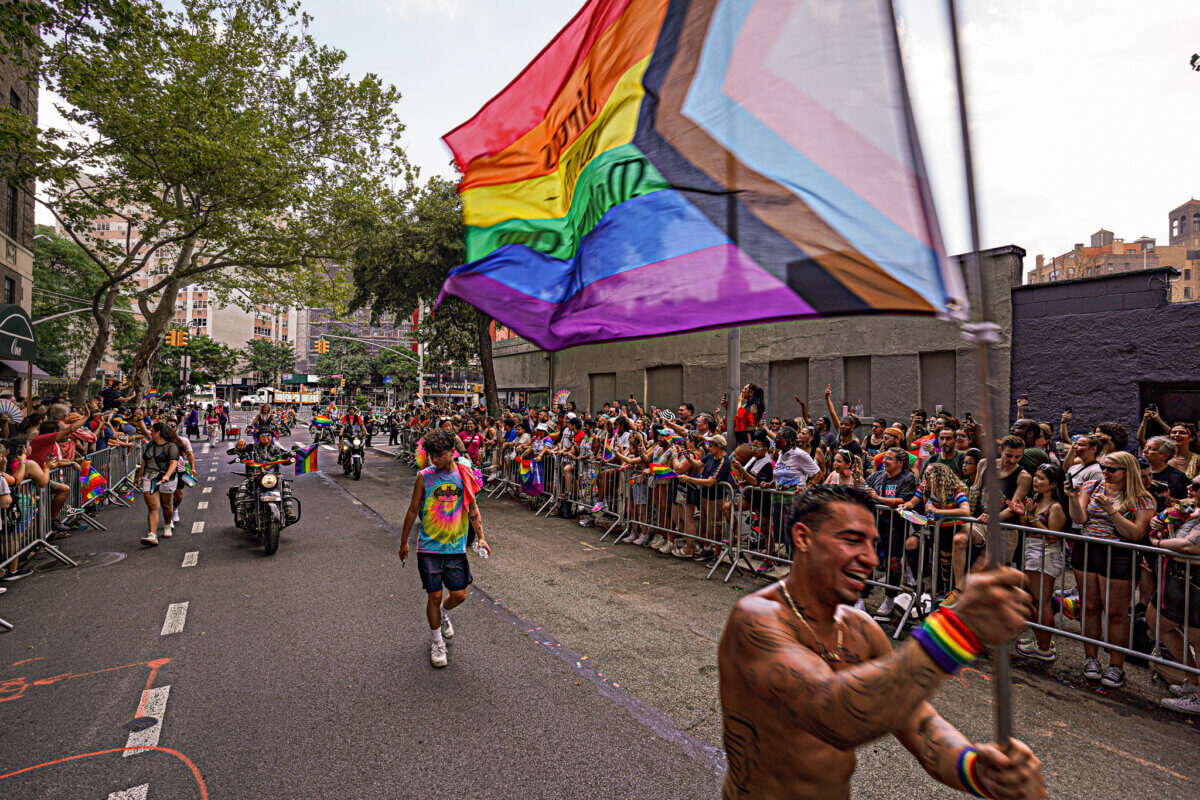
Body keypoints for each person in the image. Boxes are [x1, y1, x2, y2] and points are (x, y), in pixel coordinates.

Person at [717, 484, 1045, 800]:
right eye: (853, 540)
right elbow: (832, 716)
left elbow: (919, 724)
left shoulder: (861, 628)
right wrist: (957, 630)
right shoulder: (755, 618)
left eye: (873, 544)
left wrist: (975, 770)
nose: (871, 559)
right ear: (803, 537)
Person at [398, 429, 487, 669]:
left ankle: (444, 613)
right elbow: (412, 510)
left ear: (451, 452)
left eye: (439, 455)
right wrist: (404, 541)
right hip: (429, 547)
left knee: (459, 595)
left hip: (456, 547)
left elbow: (472, 508)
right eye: (431, 455)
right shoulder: (424, 476)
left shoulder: (464, 474)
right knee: (434, 595)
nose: (434, 460)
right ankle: (437, 642)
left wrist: (481, 537)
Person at [1067, 450, 1154, 688]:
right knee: (1090, 607)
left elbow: (1136, 533)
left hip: (1119, 555)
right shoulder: (1093, 485)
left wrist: (1111, 511)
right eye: (1104, 467)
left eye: (1111, 469)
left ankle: (1116, 666)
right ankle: (1091, 659)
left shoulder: (1142, 498)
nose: (1105, 472)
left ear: (1127, 472)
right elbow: (1081, 519)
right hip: (1088, 549)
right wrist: (1074, 500)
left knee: (1116, 613)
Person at [1007, 464, 1071, 662]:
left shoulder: (1057, 506)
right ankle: (1041, 641)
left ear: (1053, 484)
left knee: (1042, 601)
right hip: (1032, 551)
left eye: (1041, 478)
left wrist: (1032, 516)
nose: (1035, 480)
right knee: (1034, 600)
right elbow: (1029, 527)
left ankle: (1044, 647)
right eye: (1035, 476)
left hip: (1046, 555)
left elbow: (1052, 537)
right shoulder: (1036, 500)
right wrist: (1023, 513)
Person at [864, 447, 919, 619]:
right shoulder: (878, 475)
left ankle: (889, 598)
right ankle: (860, 597)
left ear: (900, 463)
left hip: (895, 526)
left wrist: (879, 499)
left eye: (889, 459)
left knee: (893, 562)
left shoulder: (908, 478)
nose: (884, 461)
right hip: (875, 524)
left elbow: (904, 500)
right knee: (864, 558)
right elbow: (865, 485)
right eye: (885, 458)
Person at [137, 421, 181, 546]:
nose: (151, 432)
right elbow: (145, 461)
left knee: (166, 505)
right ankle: (152, 535)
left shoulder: (172, 446)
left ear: (158, 433)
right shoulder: (151, 444)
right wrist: (139, 476)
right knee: (153, 507)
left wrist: (167, 475)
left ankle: (167, 524)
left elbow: (174, 463)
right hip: (149, 478)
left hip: (166, 479)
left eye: (152, 430)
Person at [1143, 436, 1189, 501]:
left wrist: (1169, 499)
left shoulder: (1177, 477)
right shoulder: (1136, 471)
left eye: (1151, 449)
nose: (1144, 451)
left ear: (1165, 456)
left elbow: (1186, 502)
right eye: (1145, 447)